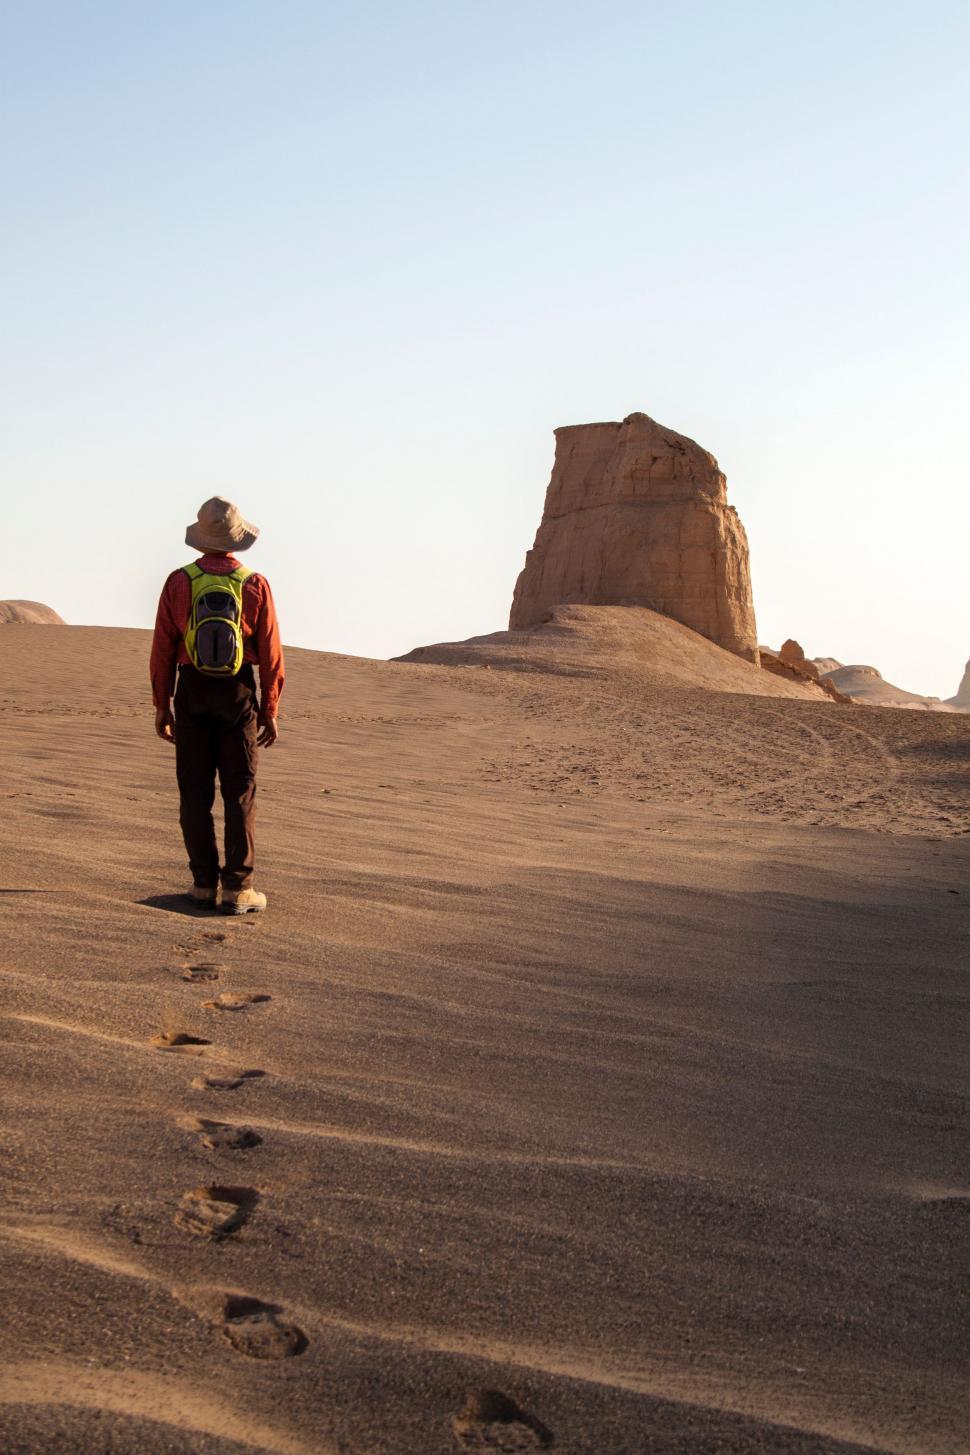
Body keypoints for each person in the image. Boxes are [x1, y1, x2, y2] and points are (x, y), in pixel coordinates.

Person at [150, 497, 284, 913]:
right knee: (239, 792)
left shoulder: (179, 581)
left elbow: (163, 649)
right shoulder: (254, 583)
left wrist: (162, 704)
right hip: (238, 694)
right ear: (236, 539)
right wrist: (270, 709)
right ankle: (238, 888)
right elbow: (271, 652)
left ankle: (203, 884)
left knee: (194, 793)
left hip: (191, 691)